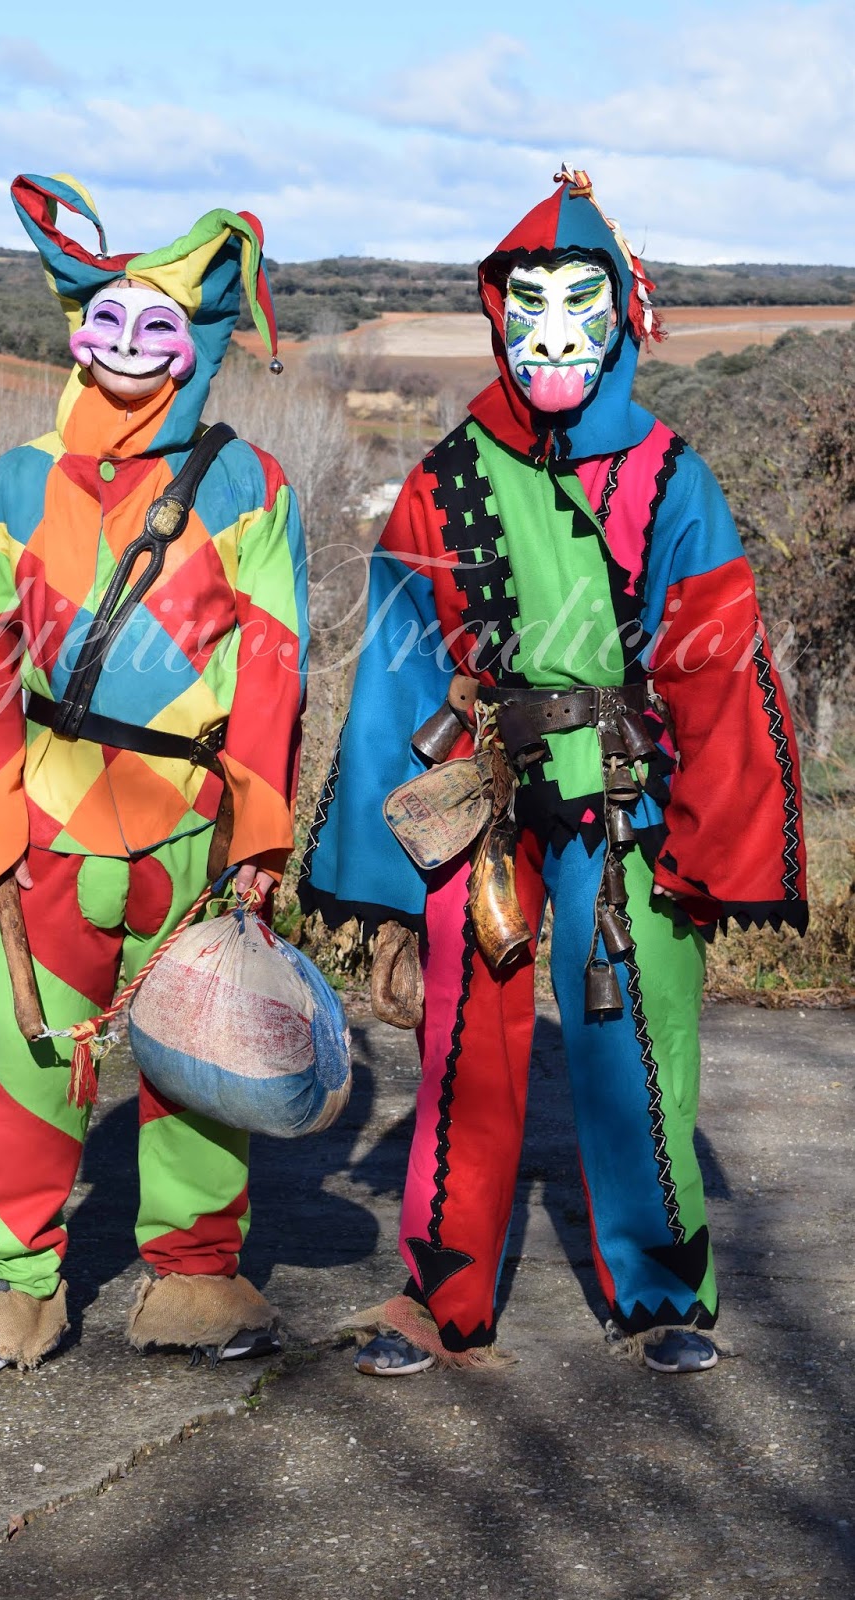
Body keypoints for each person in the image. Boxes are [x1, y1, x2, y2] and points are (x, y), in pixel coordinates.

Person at [300, 166, 806, 1377]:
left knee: (632, 1031)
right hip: (483, 788)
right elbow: (400, 675)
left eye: (579, 304)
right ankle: (440, 1291)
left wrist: (713, 839)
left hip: (629, 789)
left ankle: (663, 1286)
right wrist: (380, 877)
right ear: (496, 315)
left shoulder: (671, 477)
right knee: (461, 1042)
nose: (554, 335)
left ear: (621, 317)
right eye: (527, 308)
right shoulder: (446, 475)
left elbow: (719, 665)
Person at [0, 172, 308, 1383]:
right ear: (73, 331)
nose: (128, 349)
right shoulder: (11, 485)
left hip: (191, 822)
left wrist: (255, 838)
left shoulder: (250, 487)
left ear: (198, 346)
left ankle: (193, 1270)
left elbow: (271, 667)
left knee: (201, 1051)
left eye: (158, 328)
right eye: (108, 322)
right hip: (42, 818)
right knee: (22, 1055)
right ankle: (17, 1283)